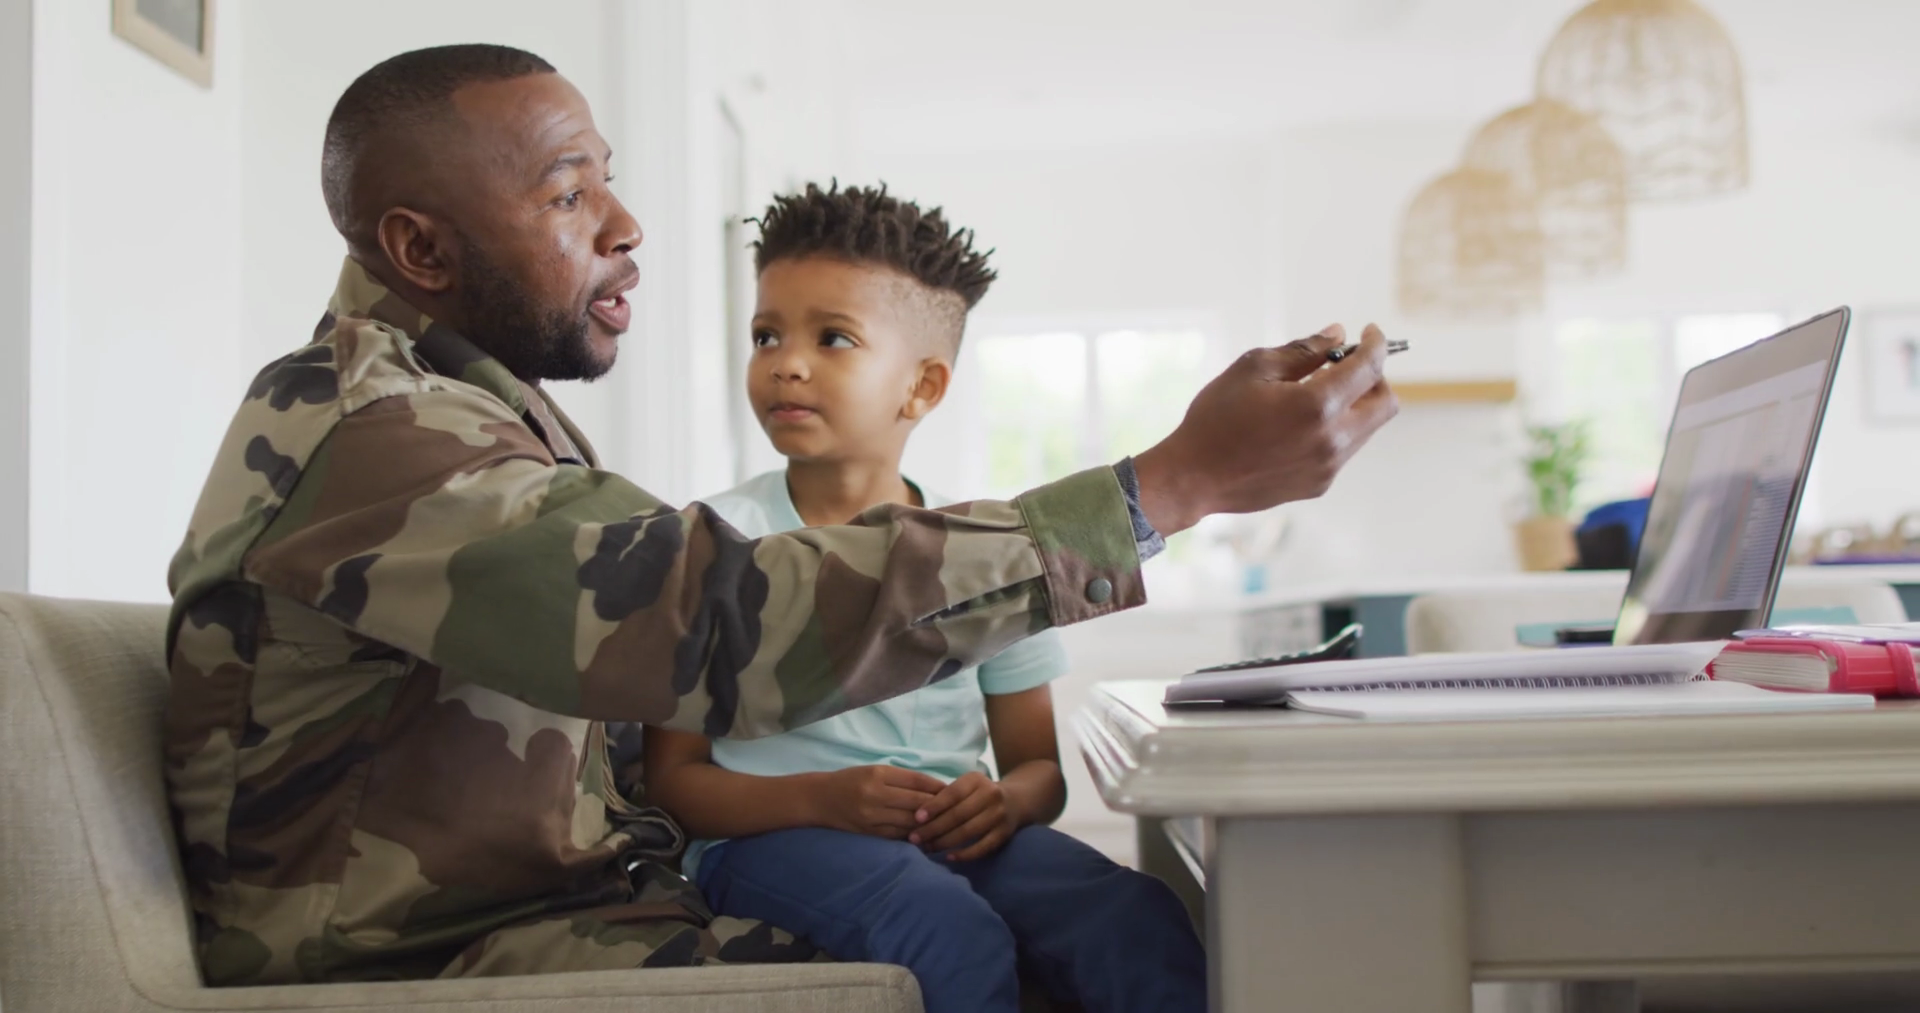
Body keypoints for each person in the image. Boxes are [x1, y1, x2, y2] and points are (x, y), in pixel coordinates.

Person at [164, 43, 1398, 986]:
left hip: (556, 903)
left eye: (609, 182)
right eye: (568, 195)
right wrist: (1167, 486)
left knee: (1117, 930)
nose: (626, 226)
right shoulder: (377, 430)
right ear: (423, 251)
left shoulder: (470, 409)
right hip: (424, 958)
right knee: (940, 946)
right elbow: (719, 622)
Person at [642, 182, 1206, 1013]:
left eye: (833, 337)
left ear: (922, 388)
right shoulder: (708, 542)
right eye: (767, 334)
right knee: (942, 924)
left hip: (951, 839)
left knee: (1133, 914)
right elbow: (674, 782)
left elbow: (1038, 772)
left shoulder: (992, 554)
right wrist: (822, 798)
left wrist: (1002, 802)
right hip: (767, 838)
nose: (786, 360)